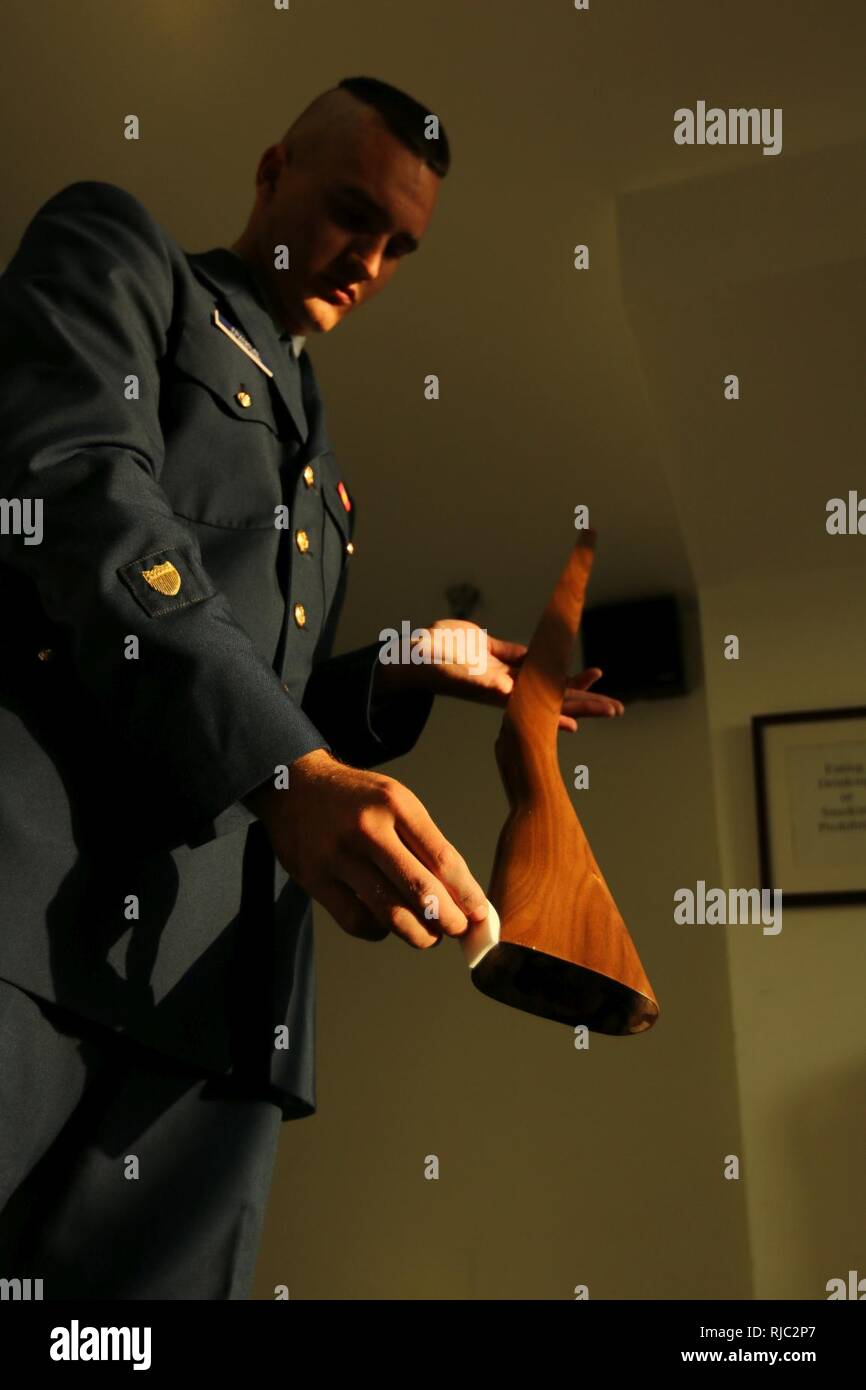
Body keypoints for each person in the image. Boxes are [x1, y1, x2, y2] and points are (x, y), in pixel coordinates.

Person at [0, 76, 621, 1300]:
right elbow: (82, 500)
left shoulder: (327, 472)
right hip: (32, 910)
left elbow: (269, 703)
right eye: (351, 213)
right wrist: (287, 766)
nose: (370, 261)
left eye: (400, 245)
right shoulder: (122, 254)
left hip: (217, 998)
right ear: (271, 168)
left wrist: (406, 663)